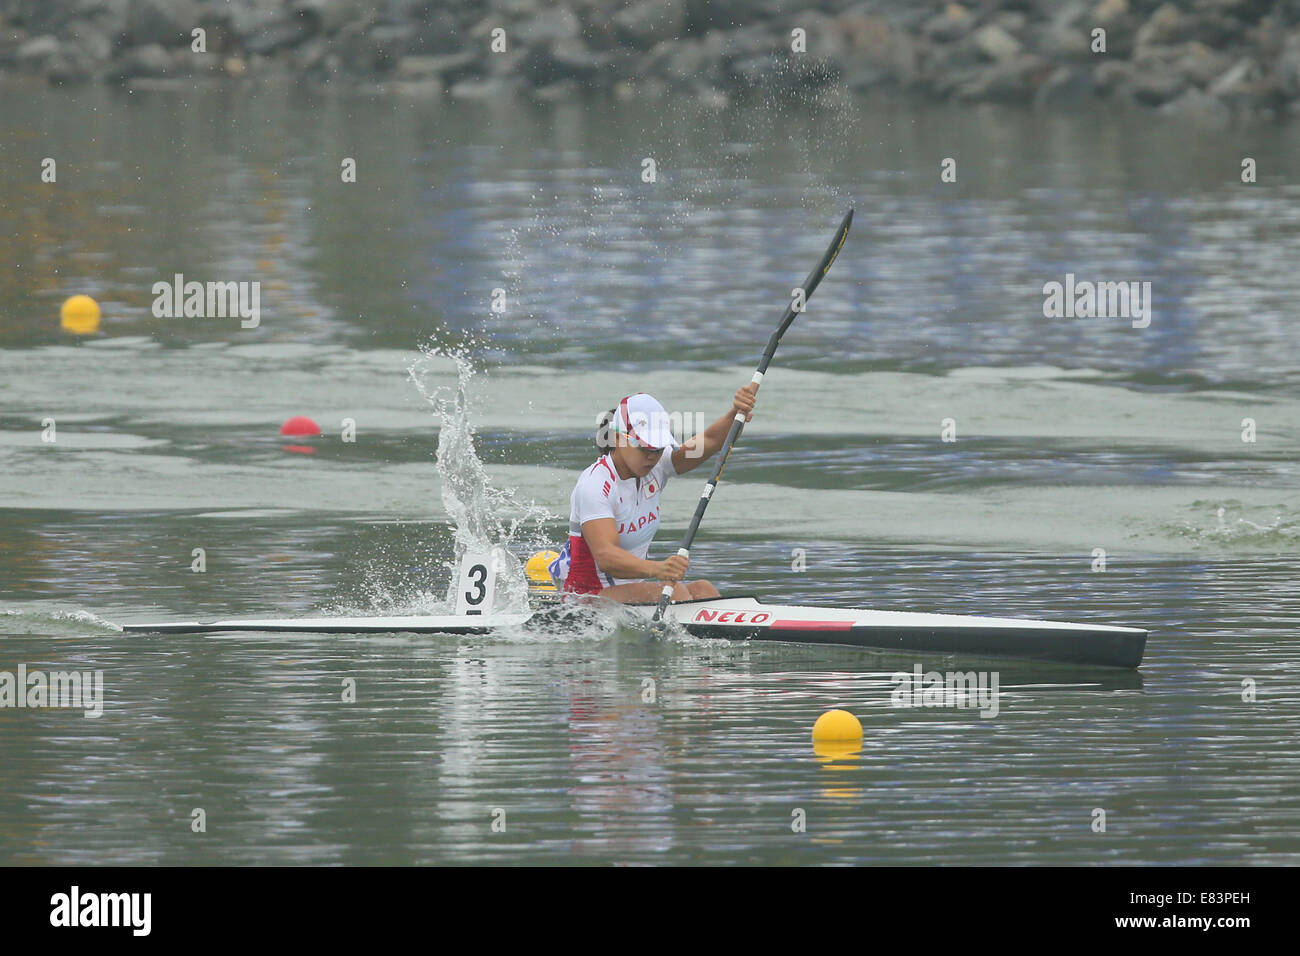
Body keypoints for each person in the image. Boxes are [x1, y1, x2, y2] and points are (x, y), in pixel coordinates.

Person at [550, 386, 757, 603]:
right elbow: (606, 557)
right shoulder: (595, 484)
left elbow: (712, 440)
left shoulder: (656, 467)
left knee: (704, 589)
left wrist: (735, 414)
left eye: (658, 449)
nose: (652, 457)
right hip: (584, 597)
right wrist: (659, 569)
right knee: (675, 593)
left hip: (632, 591)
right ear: (619, 438)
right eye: (644, 448)